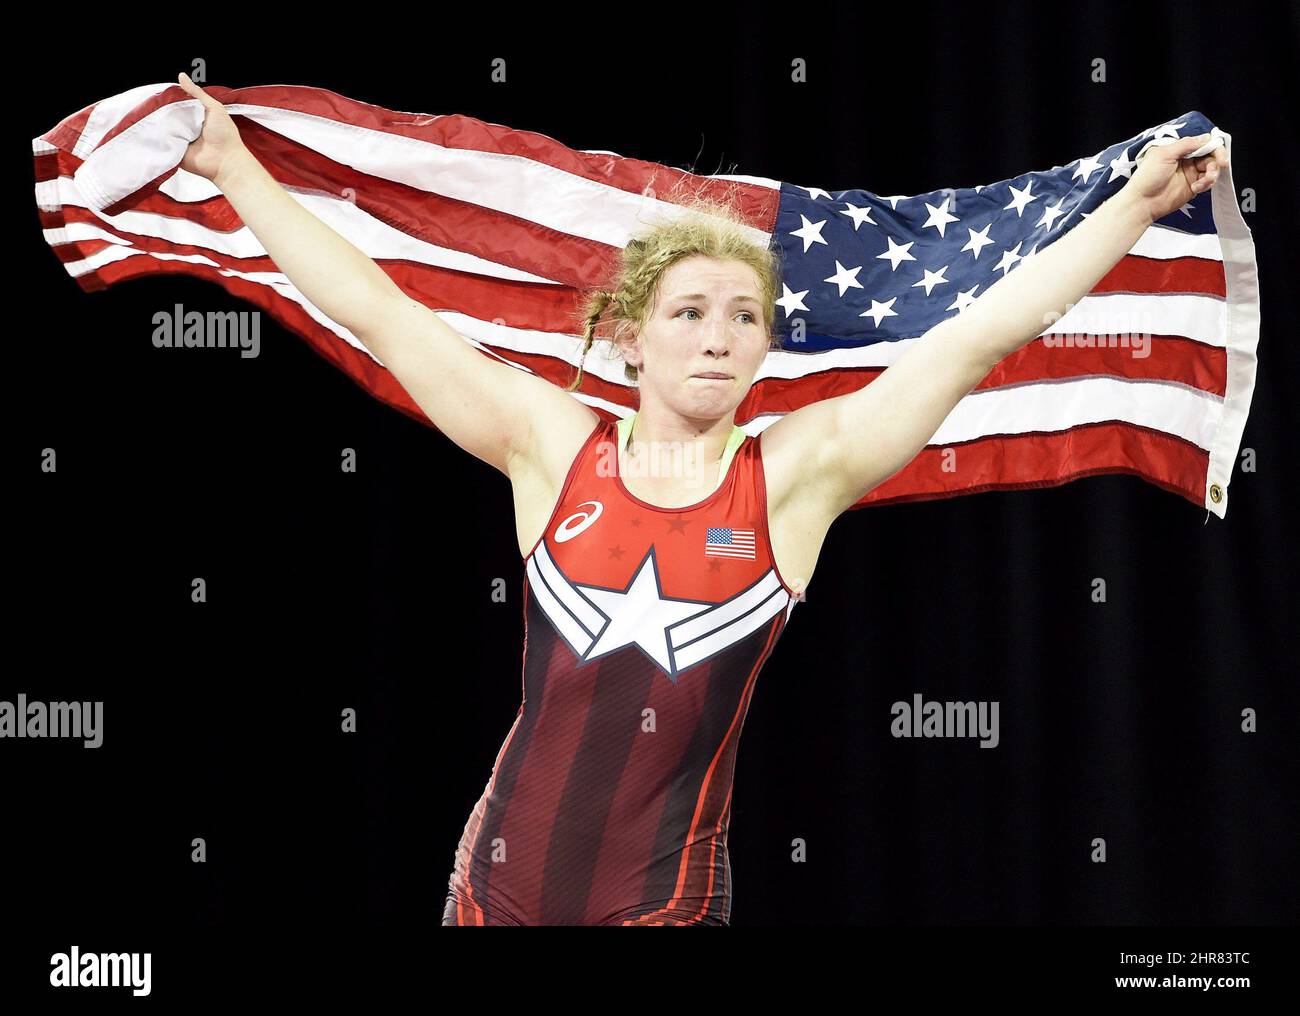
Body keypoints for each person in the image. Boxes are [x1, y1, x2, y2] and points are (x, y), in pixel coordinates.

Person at [174, 72, 1227, 926]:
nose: (719, 335)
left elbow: (976, 339)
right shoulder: (551, 446)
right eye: (688, 312)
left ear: (767, 343)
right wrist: (230, 165)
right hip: (486, 898)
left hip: (664, 913)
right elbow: (379, 310)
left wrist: (1133, 204)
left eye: (742, 315)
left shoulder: (797, 475)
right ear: (630, 337)